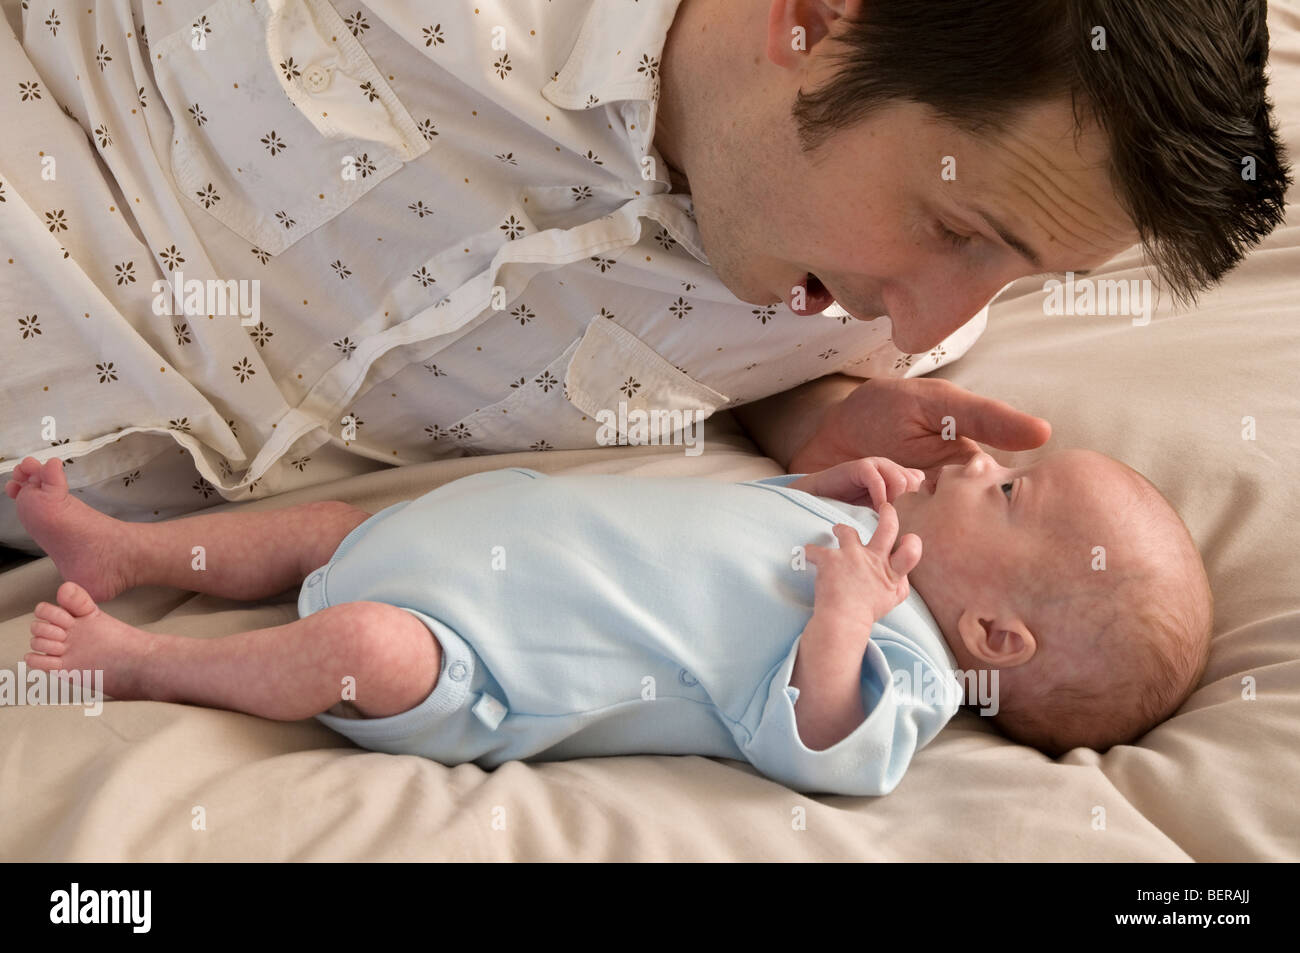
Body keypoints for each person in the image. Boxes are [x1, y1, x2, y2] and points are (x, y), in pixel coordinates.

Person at [0, 0, 1288, 549]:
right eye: (962, 235)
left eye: (1019, 281)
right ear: (817, 21)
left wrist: (814, 413)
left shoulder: (845, 297)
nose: (935, 323)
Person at [9, 448, 1212, 795]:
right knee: (322, 527)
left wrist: (846, 618)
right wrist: (818, 490)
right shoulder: (861, 537)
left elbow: (824, 743)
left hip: (471, 667)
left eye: (1011, 492)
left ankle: (148, 662)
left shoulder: (912, 666)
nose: (985, 456)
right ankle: (130, 549)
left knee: (358, 642)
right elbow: (712, 548)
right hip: (451, 543)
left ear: (997, 634)